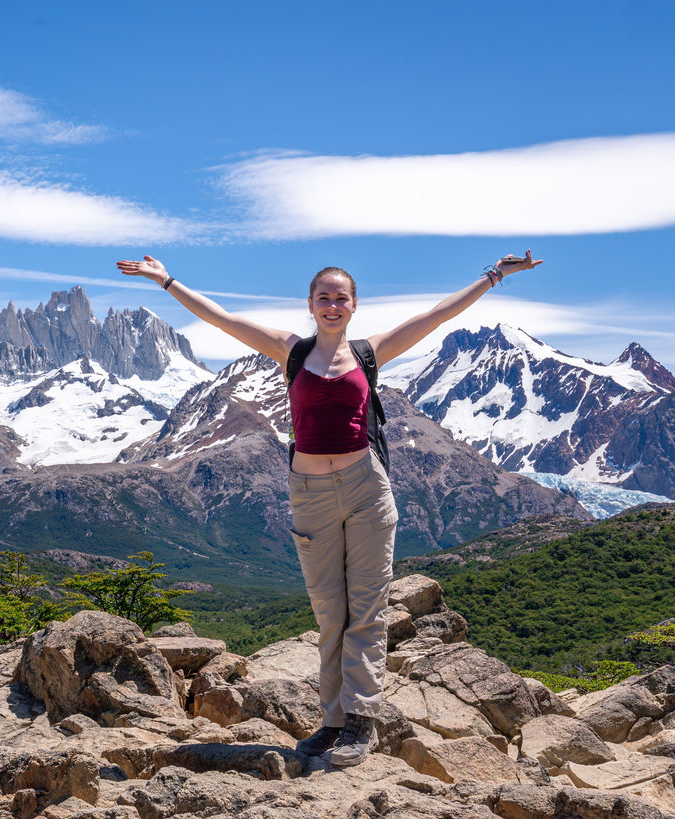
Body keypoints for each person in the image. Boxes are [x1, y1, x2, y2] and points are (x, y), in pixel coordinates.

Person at [116, 251, 543, 765]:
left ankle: (360, 721)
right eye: (325, 297)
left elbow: (437, 316)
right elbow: (221, 319)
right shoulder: (290, 351)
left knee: (366, 608)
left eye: (342, 297)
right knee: (328, 613)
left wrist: (493, 277)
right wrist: (168, 282)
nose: (333, 305)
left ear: (354, 305)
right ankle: (332, 720)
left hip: (366, 488)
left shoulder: (370, 352)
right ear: (311, 304)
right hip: (310, 493)